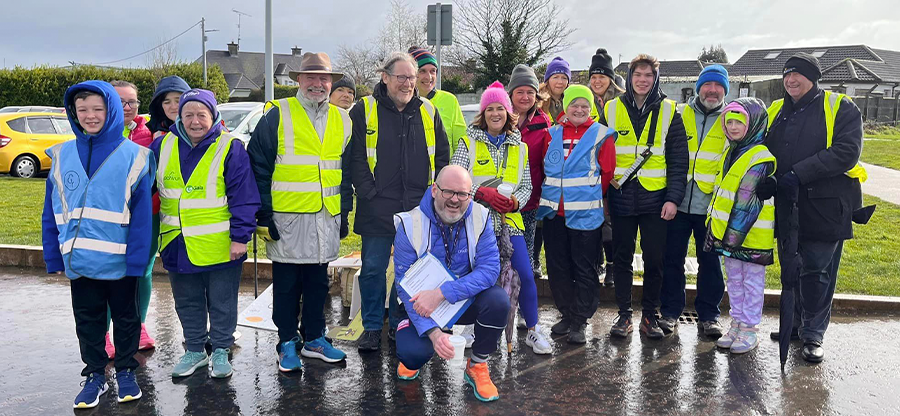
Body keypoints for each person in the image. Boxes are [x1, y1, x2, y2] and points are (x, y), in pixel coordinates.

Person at [42, 80, 153, 408]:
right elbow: (51, 210)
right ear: (73, 113)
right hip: (80, 262)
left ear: (112, 111)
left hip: (121, 264)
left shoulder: (135, 156)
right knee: (88, 321)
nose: (90, 115)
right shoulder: (62, 155)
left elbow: (142, 218)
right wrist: (53, 256)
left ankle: (126, 372)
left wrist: (136, 262)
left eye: (98, 109)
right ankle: (94, 375)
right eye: (83, 109)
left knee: (126, 318)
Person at [759, 53, 866, 363]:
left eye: (798, 75)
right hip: (787, 205)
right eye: (786, 75)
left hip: (826, 206)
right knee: (792, 267)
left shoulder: (840, 107)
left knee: (818, 270)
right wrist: (765, 176)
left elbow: (846, 152)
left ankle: (813, 333)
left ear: (813, 78)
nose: (791, 80)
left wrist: (798, 174)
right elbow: (763, 147)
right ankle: (793, 324)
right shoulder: (777, 109)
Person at [249, 52, 351, 371]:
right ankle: (287, 341)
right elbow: (258, 168)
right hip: (287, 220)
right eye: (311, 77)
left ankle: (315, 338)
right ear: (299, 80)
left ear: (331, 82)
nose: (318, 83)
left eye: (324, 78)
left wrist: (345, 212)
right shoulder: (277, 114)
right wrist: (263, 216)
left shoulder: (342, 119)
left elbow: (344, 171)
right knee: (287, 286)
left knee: (318, 283)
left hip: (325, 218)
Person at [151, 89, 260, 378]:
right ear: (179, 117)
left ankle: (221, 350)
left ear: (213, 116)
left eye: (202, 114)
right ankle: (196, 351)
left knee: (222, 301)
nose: (195, 121)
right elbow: (144, 189)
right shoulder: (162, 146)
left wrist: (240, 237)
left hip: (221, 244)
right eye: (188, 115)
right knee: (186, 301)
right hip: (177, 243)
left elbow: (244, 196)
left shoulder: (230, 147)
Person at [347, 52, 451, 352]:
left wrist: (434, 196)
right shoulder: (364, 109)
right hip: (377, 206)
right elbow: (354, 156)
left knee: (409, 273)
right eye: (401, 77)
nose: (408, 83)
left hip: (417, 210)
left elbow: (441, 156)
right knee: (372, 270)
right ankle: (370, 326)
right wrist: (368, 191)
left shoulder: (429, 111)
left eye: (411, 77)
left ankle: (398, 323)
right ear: (385, 77)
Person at [450, 81, 552, 354]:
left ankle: (533, 330)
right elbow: (453, 182)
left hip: (510, 222)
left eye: (501, 108)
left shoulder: (520, 147)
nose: (496, 113)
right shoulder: (468, 142)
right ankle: (472, 328)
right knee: (476, 276)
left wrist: (515, 201)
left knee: (526, 276)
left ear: (509, 113)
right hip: (475, 222)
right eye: (490, 109)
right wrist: (480, 193)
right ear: (483, 114)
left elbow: (527, 186)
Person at [393, 165, 508, 402]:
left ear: (470, 195)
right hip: (421, 304)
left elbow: (489, 270)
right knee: (412, 354)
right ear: (434, 190)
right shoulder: (409, 223)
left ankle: (477, 365)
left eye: (462, 194)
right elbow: (404, 288)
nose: (455, 200)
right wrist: (434, 334)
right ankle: (415, 358)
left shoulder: (480, 217)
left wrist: (443, 293)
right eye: (448, 192)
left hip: (460, 301)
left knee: (498, 301)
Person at [600, 54, 688, 339]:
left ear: (655, 78)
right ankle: (624, 315)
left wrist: (673, 199)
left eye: (648, 75)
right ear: (629, 78)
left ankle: (649, 315)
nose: (642, 80)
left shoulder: (670, 110)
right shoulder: (611, 109)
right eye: (637, 74)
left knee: (654, 261)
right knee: (622, 259)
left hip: (656, 201)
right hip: (621, 197)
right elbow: (599, 153)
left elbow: (678, 160)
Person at [537, 85, 616, 343]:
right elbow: (544, 167)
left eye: (584, 105)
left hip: (585, 215)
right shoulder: (552, 134)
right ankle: (567, 314)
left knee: (584, 268)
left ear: (591, 108)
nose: (579, 110)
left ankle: (580, 319)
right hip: (554, 214)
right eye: (574, 105)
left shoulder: (601, 135)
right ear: (566, 107)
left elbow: (607, 174)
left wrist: (585, 196)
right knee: (558, 267)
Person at [659, 65, 730, 338]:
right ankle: (669, 312)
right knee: (672, 259)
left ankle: (709, 315)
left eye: (717, 86)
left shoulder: (732, 117)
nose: (712, 91)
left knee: (710, 262)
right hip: (676, 201)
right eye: (707, 85)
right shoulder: (679, 114)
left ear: (725, 89)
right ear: (698, 87)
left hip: (711, 206)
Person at [702, 97, 776, 354]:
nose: (732, 127)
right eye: (728, 121)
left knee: (751, 282)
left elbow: (747, 203)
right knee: (734, 280)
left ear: (753, 123)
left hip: (750, 236)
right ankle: (737, 321)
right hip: (730, 235)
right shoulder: (732, 151)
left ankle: (750, 327)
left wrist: (729, 239)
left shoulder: (758, 157)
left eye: (739, 122)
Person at [98, 80, 156, 359]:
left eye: (132, 101)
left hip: (148, 216)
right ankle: (105, 334)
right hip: (111, 218)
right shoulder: (98, 136)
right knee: (110, 273)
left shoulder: (152, 135)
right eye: (120, 101)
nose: (127, 107)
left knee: (143, 272)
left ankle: (140, 326)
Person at [507, 64, 552, 278]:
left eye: (530, 93)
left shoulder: (544, 123)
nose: (525, 97)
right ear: (511, 94)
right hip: (499, 201)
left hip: (530, 201)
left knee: (524, 256)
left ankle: (525, 306)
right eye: (520, 92)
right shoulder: (499, 117)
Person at [587, 48, 624, 287]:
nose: (597, 81)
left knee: (610, 224)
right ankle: (596, 263)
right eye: (593, 77)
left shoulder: (619, 101)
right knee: (592, 221)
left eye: (602, 76)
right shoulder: (583, 100)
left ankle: (612, 267)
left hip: (616, 170)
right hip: (589, 171)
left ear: (610, 78)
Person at [409, 46, 467, 153]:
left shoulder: (450, 100)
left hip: (445, 168)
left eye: (433, 71)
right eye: (422, 71)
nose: (429, 77)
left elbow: (461, 143)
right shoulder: (402, 103)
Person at [539, 56, 570, 123]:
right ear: (548, 80)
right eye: (555, 77)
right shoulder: (538, 101)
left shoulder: (572, 100)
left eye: (564, 78)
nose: (560, 82)